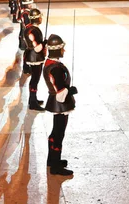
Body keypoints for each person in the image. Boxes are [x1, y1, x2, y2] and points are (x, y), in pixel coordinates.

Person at [43, 34, 77, 176]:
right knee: (58, 135)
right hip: (60, 105)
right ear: (57, 50)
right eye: (62, 49)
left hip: (55, 104)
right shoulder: (56, 68)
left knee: (55, 133)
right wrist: (71, 90)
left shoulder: (49, 63)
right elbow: (61, 94)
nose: (64, 51)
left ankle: (52, 160)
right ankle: (56, 166)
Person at [23, 8, 45, 111]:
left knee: (34, 80)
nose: (41, 19)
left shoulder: (29, 27)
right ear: (37, 19)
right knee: (35, 80)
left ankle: (34, 99)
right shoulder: (34, 31)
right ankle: (32, 102)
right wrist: (45, 43)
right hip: (35, 57)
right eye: (40, 17)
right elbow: (37, 48)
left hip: (31, 55)